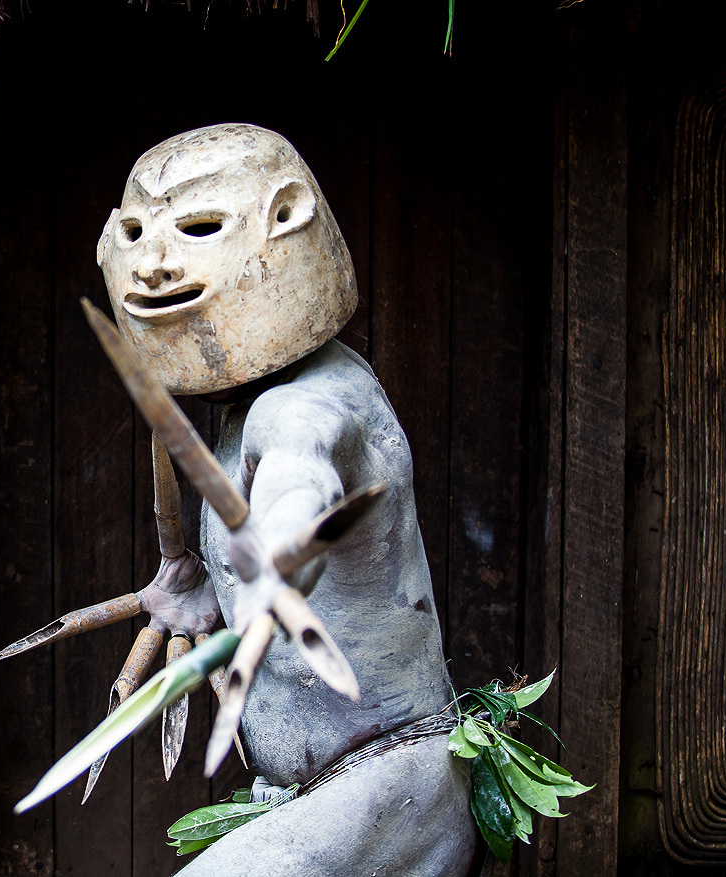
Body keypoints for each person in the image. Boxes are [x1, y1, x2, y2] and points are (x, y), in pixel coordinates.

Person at [95, 123, 477, 876]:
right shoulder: (248, 410)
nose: (155, 266)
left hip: (393, 781)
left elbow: (303, 474)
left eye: (199, 227)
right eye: (135, 234)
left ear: (287, 217)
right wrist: (217, 589)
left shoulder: (306, 403)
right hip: (326, 794)